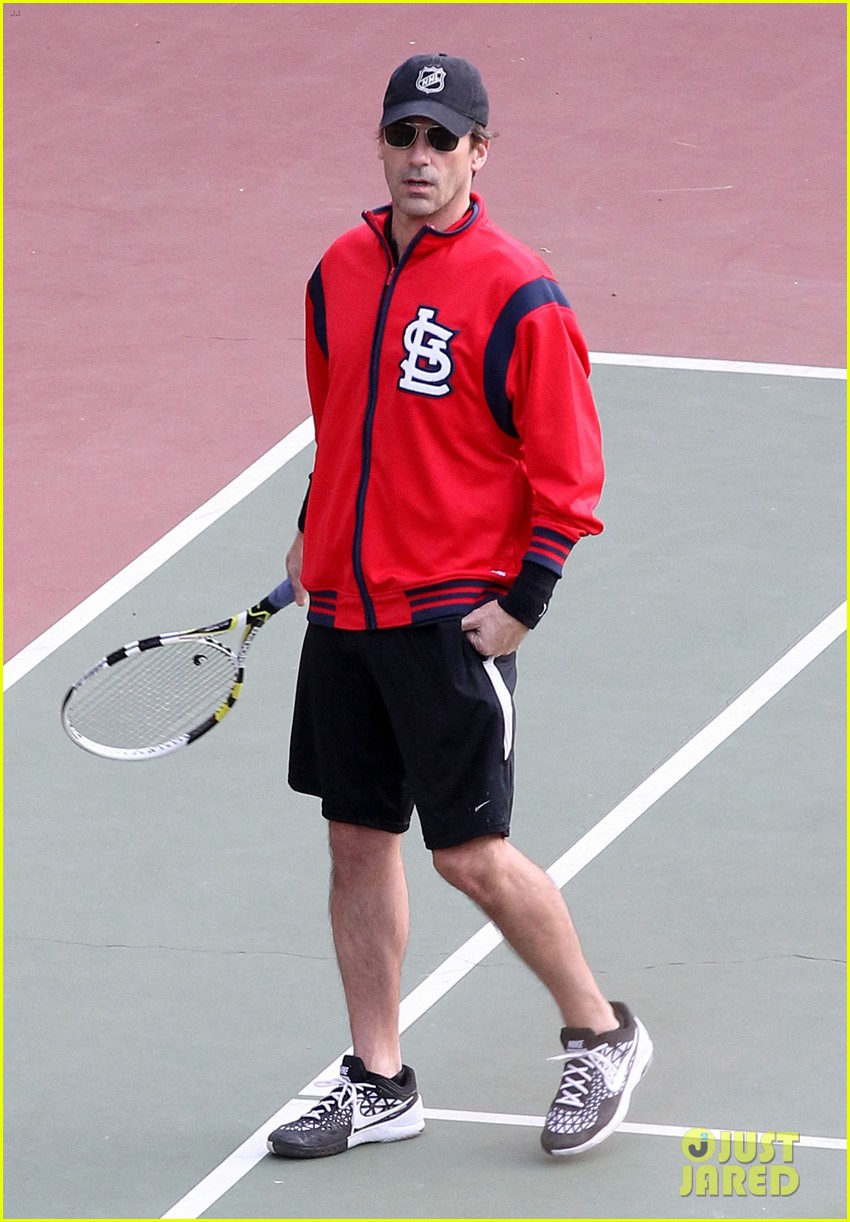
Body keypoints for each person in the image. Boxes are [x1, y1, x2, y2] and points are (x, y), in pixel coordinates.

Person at [267, 52, 652, 1162]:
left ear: (481, 153)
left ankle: (600, 1033)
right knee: (356, 839)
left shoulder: (517, 290)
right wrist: (314, 524)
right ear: (381, 145)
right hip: (346, 609)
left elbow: (569, 470)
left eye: (443, 139)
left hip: (447, 614)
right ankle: (378, 1079)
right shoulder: (338, 271)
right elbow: (340, 419)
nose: (420, 156)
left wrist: (526, 600)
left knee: (469, 852)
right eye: (404, 135)